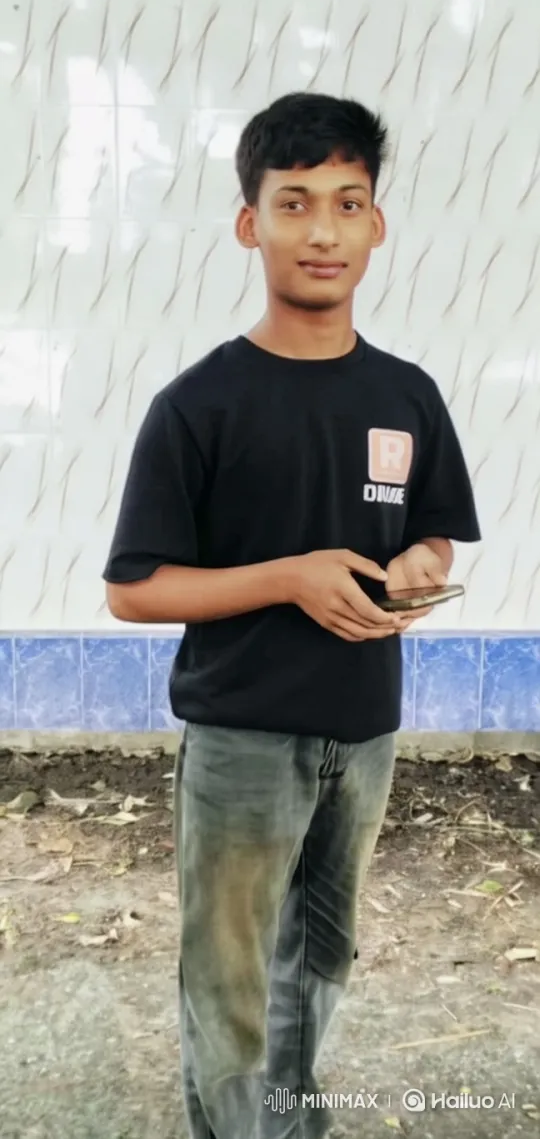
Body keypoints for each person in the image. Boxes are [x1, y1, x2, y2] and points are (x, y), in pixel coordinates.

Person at [103, 92, 481, 1139]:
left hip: (364, 733)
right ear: (249, 222)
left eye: (348, 202)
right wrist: (288, 576)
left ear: (377, 223)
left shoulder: (408, 395)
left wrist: (416, 564)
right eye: (295, 201)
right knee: (227, 976)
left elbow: (439, 535)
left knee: (319, 953)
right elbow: (134, 587)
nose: (323, 229)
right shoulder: (200, 404)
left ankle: (296, 1122)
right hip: (241, 737)